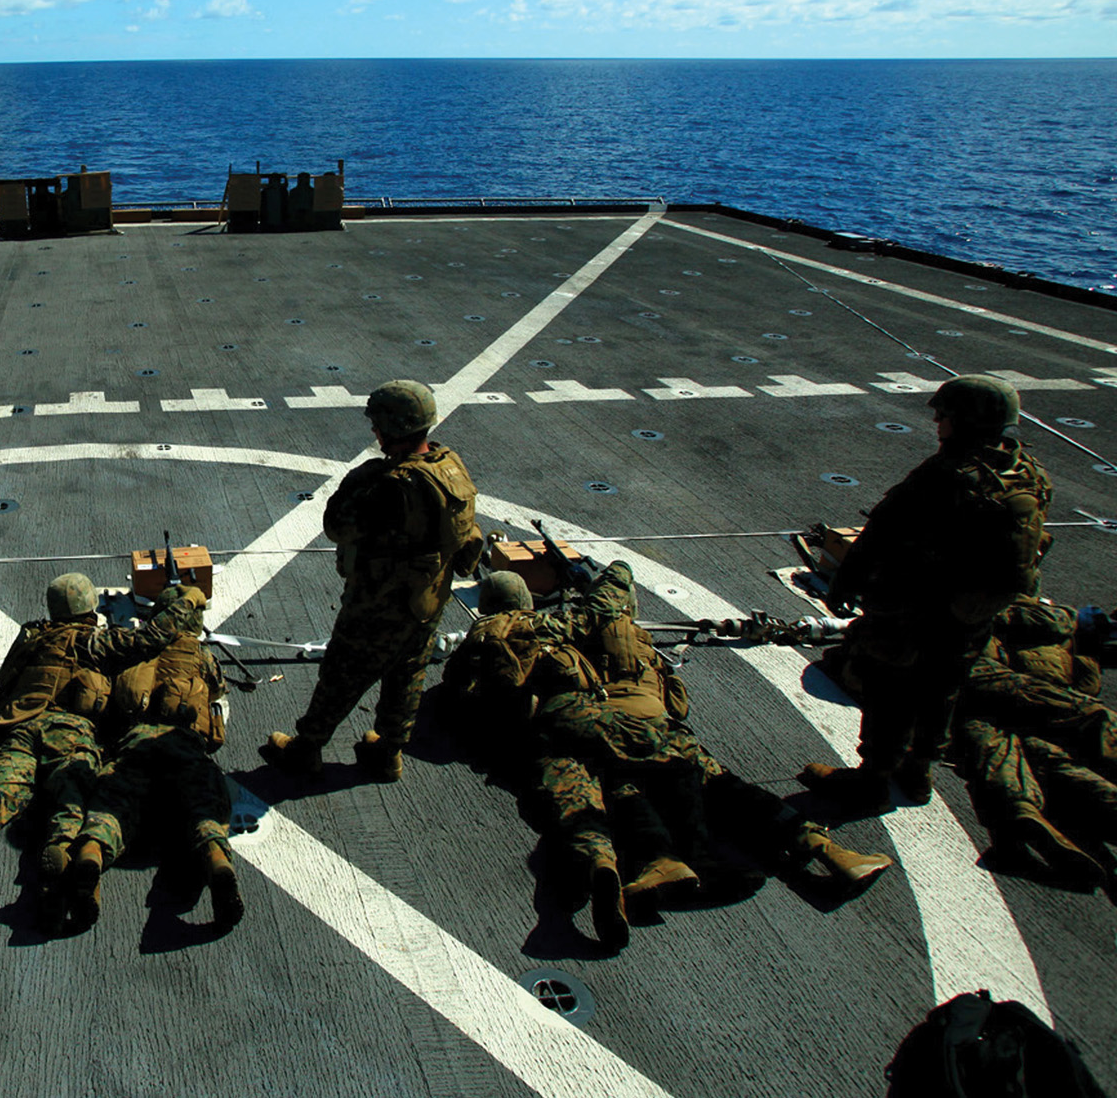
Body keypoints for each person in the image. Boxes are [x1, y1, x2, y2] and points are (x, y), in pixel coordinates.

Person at [447, 567, 892, 950]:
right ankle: (827, 850)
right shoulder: (581, 628)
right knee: (724, 786)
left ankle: (614, 863)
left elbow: (459, 693)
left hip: (561, 728)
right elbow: (677, 704)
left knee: (593, 793)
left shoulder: (489, 634)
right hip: (653, 726)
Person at [801, 375, 1053, 813]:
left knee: (889, 691)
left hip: (916, 611)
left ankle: (872, 781)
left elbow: (883, 531)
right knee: (942, 691)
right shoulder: (1027, 472)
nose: (938, 421)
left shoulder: (947, 476)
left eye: (945, 414)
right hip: (972, 614)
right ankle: (919, 773)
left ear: (967, 420)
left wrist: (846, 581)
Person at [0, 573, 173, 918]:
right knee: (75, 796)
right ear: (89, 607)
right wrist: (186, 602)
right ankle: (62, 852)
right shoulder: (94, 642)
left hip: (21, 728)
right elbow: (150, 640)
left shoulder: (33, 638)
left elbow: (6, 681)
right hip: (69, 728)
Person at [263, 379, 484, 781]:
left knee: (342, 674)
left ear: (392, 427)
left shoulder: (392, 485)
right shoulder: (448, 466)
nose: (374, 430)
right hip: (427, 600)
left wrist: (362, 478)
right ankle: (388, 753)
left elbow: (337, 525)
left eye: (378, 424)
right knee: (407, 675)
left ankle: (306, 749)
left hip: (380, 603)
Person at [60, 585, 242, 932]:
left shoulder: (133, 650)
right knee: (204, 804)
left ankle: (92, 853)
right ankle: (217, 859)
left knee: (110, 803)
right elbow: (217, 689)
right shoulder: (200, 654)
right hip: (184, 741)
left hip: (135, 742)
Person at [949, 595, 1115, 894]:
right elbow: (1000, 616)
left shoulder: (1080, 652)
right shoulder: (1057, 618)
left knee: (1019, 750)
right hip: (991, 680)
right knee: (1069, 736)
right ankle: (1020, 818)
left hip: (1001, 703)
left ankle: (1018, 819)